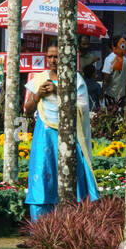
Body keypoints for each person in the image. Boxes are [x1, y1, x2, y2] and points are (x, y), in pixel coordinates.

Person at [23, 44, 100, 221]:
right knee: (42, 172)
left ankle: (74, 222)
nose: (53, 60)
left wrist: (59, 91)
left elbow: (82, 108)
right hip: (45, 133)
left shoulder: (75, 79)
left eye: (56, 56)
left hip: (69, 133)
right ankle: (41, 227)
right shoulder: (38, 79)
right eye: (49, 57)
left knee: (73, 172)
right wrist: (37, 95)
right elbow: (27, 109)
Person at [102, 36, 126, 105]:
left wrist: (101, 94)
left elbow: (106, 80)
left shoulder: (109, 59)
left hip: (110, 95)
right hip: (122, 96)